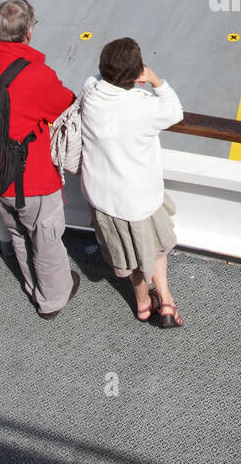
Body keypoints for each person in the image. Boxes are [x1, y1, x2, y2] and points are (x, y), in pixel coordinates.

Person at [0, 0, 78, 319]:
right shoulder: (37, 74)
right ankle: (52, 299)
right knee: (46, 237)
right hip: (31, 178)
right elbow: (68, 106)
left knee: (16, 232)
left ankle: (32, 284)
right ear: (28, 32)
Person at [79, 38, 185, 327]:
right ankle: (165, 300)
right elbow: (175, 111)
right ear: (136, 75)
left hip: (105, 199)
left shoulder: (89, 93)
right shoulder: (143, 105)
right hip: (140, 198)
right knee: (156, 248)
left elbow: (96, 78)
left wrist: (120, 73)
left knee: (129, 256)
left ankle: (142, 304)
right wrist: (154, 80)